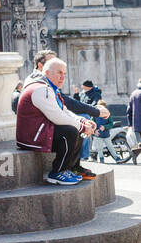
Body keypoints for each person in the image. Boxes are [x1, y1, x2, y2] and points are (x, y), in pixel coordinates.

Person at [21, 50, 107, 180]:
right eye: (59, 72)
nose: (62, 77)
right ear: (45, 70)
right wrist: (82, 125)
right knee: (71, 131)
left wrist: (82, 121)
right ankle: (58, 172)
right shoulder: (40, 87)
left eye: (64, 73)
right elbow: (57, 115)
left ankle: (72, 167)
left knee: (77, 127)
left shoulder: (49, 87)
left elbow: (63, 109)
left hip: (43, 128)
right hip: (34, 135)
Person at [126, 78, 141, 152]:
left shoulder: (133, 94)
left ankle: (135, 153)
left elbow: (128, 111)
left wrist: (130, 124)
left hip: (136, 124)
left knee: (139, 143)